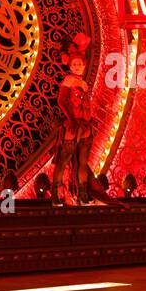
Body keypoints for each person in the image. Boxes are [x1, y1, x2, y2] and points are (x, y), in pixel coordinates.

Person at [54, 33, 95, 205]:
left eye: (80, 64)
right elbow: (61, 101)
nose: (77, 66)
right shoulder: (68, 81)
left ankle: (83, 194)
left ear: (84, 66)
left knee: (83, 162)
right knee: (64, 160)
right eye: (74, 64)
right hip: (72, 125)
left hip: (85, 126)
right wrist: (71, 119)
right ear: (70, 66)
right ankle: (56, 194)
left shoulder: (84, 84)